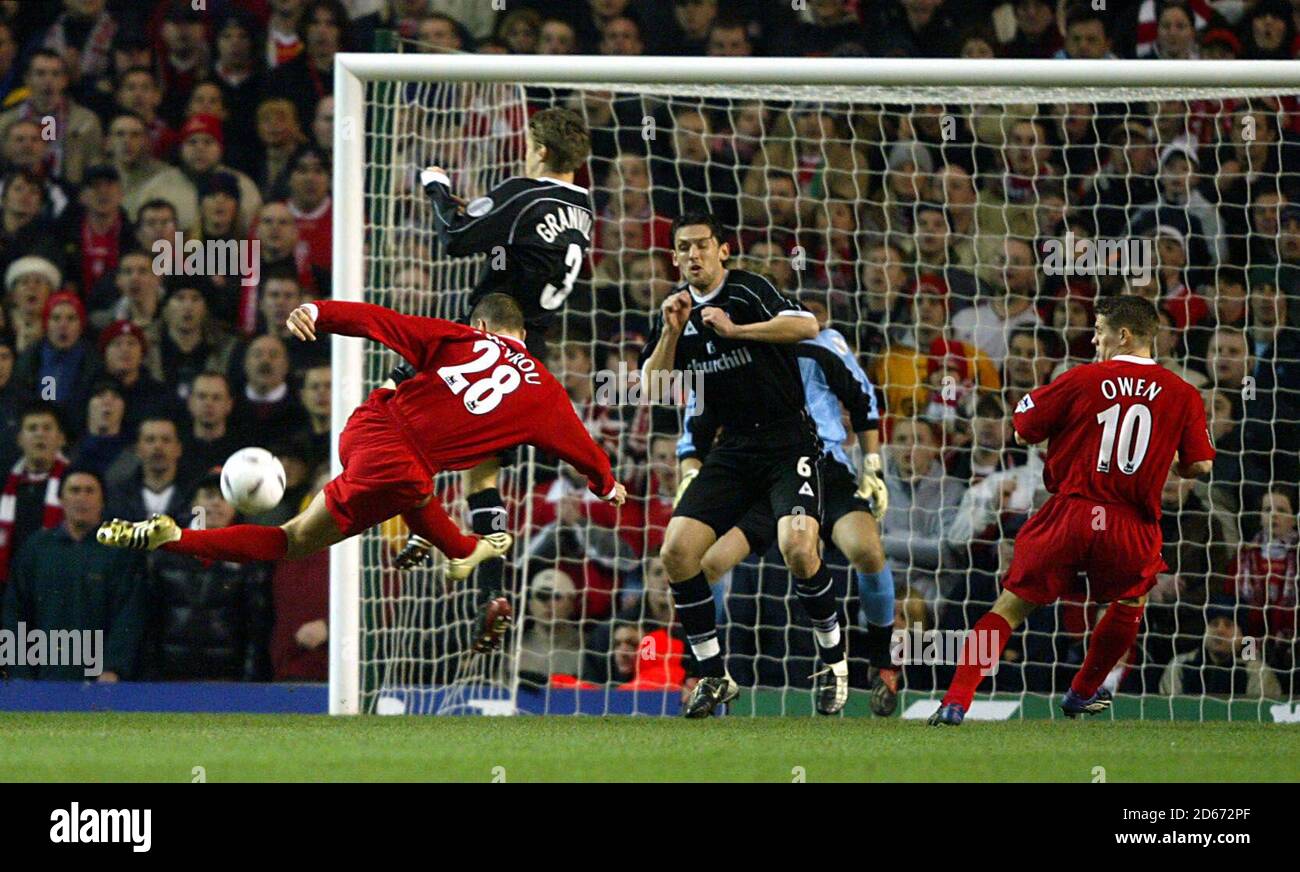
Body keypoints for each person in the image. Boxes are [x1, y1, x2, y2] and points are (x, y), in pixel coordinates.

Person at [97, 294, 626, 587]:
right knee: (434, 511)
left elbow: (380, 320)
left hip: (364, 429)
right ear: (525, 338)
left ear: (482, 323)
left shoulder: (461, 336)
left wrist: (319, 313)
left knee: (295, 539)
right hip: (401, 466)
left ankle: (177, 538)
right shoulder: (549, 394)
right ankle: (465, 550)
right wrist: (608, 486)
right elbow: (583, 450)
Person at [930, 296, 1216, 725]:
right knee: (1129, 604)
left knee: (1009, 607)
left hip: (1070, 512)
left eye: (1099, 333)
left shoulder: (1082, 379)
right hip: (1128, 522)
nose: (1095, 342)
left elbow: (1024, 430)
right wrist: (1162, 454)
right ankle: (1082, 693)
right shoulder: (1184, 393)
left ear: (1123, 334)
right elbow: (1200, 465)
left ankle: (955, 701)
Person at [386, 107, 593, 653]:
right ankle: (492, 592)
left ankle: (418, 517)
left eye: (529, 142)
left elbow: (455, 238)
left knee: (392, 405)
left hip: (481, 337)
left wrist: (436, 186)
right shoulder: (583, 209)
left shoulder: (526, 193)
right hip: (529, 355)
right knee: (483, 475)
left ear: (540, 151)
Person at [639, 211, 828, 718]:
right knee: (677, 553)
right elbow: (652, 389)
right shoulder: (675, 311)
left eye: (702, 245)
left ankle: (833, 657)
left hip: (789, 441)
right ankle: (713, 674)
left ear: (723, 250)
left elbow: (808, 323)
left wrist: (737, 329)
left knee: (798, 549)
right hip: (734, 449)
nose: (692, 255)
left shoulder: (747, 291)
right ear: (674, 256)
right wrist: (670, 333)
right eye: (683, 248)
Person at [682, 296, 897, 716]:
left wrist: (873, 466)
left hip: (824, 467)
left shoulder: (821, 343)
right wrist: (690, 471)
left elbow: (863, 400)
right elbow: (696, 424)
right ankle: (706, 672)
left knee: (866, 550)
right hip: (760, 473)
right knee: (704, 563)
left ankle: (883, 661)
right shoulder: (725, 353)